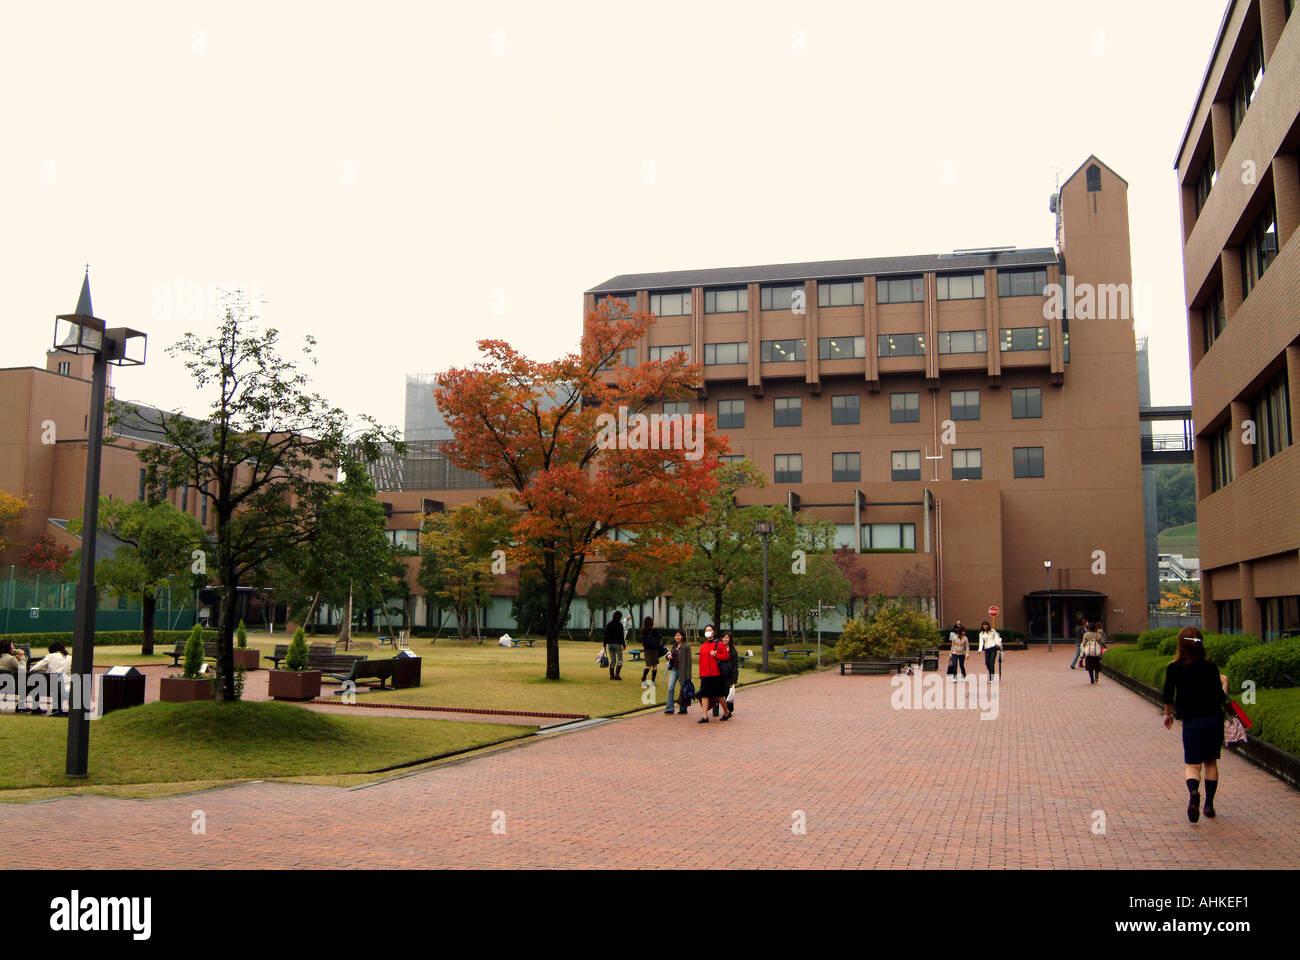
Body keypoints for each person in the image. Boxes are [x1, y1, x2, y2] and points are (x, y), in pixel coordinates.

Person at [1162, 627, 1228, 822]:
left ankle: (1193, 793)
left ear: (1181, 644)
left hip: (1192, 722)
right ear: (1201, 643)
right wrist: (1225, 684)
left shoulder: (1173, 667)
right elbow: (1220, 697)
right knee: (1211, 763)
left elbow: (1167, 695)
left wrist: (1168, 715)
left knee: (1192, 765)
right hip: (1213, 720)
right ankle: (1209, 805)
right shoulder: (1210, 667)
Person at [696, 625, 730, 723]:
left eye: (710, 630)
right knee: (705, 695)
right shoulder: (703, 646)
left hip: (716, 674)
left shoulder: (719, 644)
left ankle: (726, 712)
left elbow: (726, 656)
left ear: (714, 632)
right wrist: (701, 675)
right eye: (706, 630)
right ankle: (705, 716)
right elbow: (701, 662)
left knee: (719, 695)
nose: (708, 632)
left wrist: (717, 655)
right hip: (705, 675)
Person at [28, 641, 72, 715]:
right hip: (68, 688)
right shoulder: (70, 658)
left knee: (38, 683)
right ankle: (56, 709)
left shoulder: (50, 656)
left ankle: (36, 708)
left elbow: (33, 669)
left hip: (51, 689)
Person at [664, 631, 692, 715]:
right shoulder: (675, 646)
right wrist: (668, 656)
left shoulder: (686, 646)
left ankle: (683, 708)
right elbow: (670, 655)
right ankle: (670, 708)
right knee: (670, 687)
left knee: (683, 689)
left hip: (683, 670)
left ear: (682, 637)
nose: (677, 637)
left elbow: (689, 661)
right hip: (674, 669)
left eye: (679, 635)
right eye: (676, 635)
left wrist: (688, 675)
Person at [640, 615, 664, 685]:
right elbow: (660, 636)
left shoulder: (644, 630)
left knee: (648, 665)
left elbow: (643, 639)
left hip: (647, 650)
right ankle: (653, 681)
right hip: (654, 650)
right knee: (655, 665)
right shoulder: (654, 630)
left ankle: (644, 677)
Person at [603, 611, 625, 680]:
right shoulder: (620, 625)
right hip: (618, 644)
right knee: (620, 660)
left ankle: (611, 675)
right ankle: (617, 675)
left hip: (610, 644)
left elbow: (606, 635)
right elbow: (621, 636)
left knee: (613, 660)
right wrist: (624, 645)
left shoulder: (609, 624)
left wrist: (604, 645)